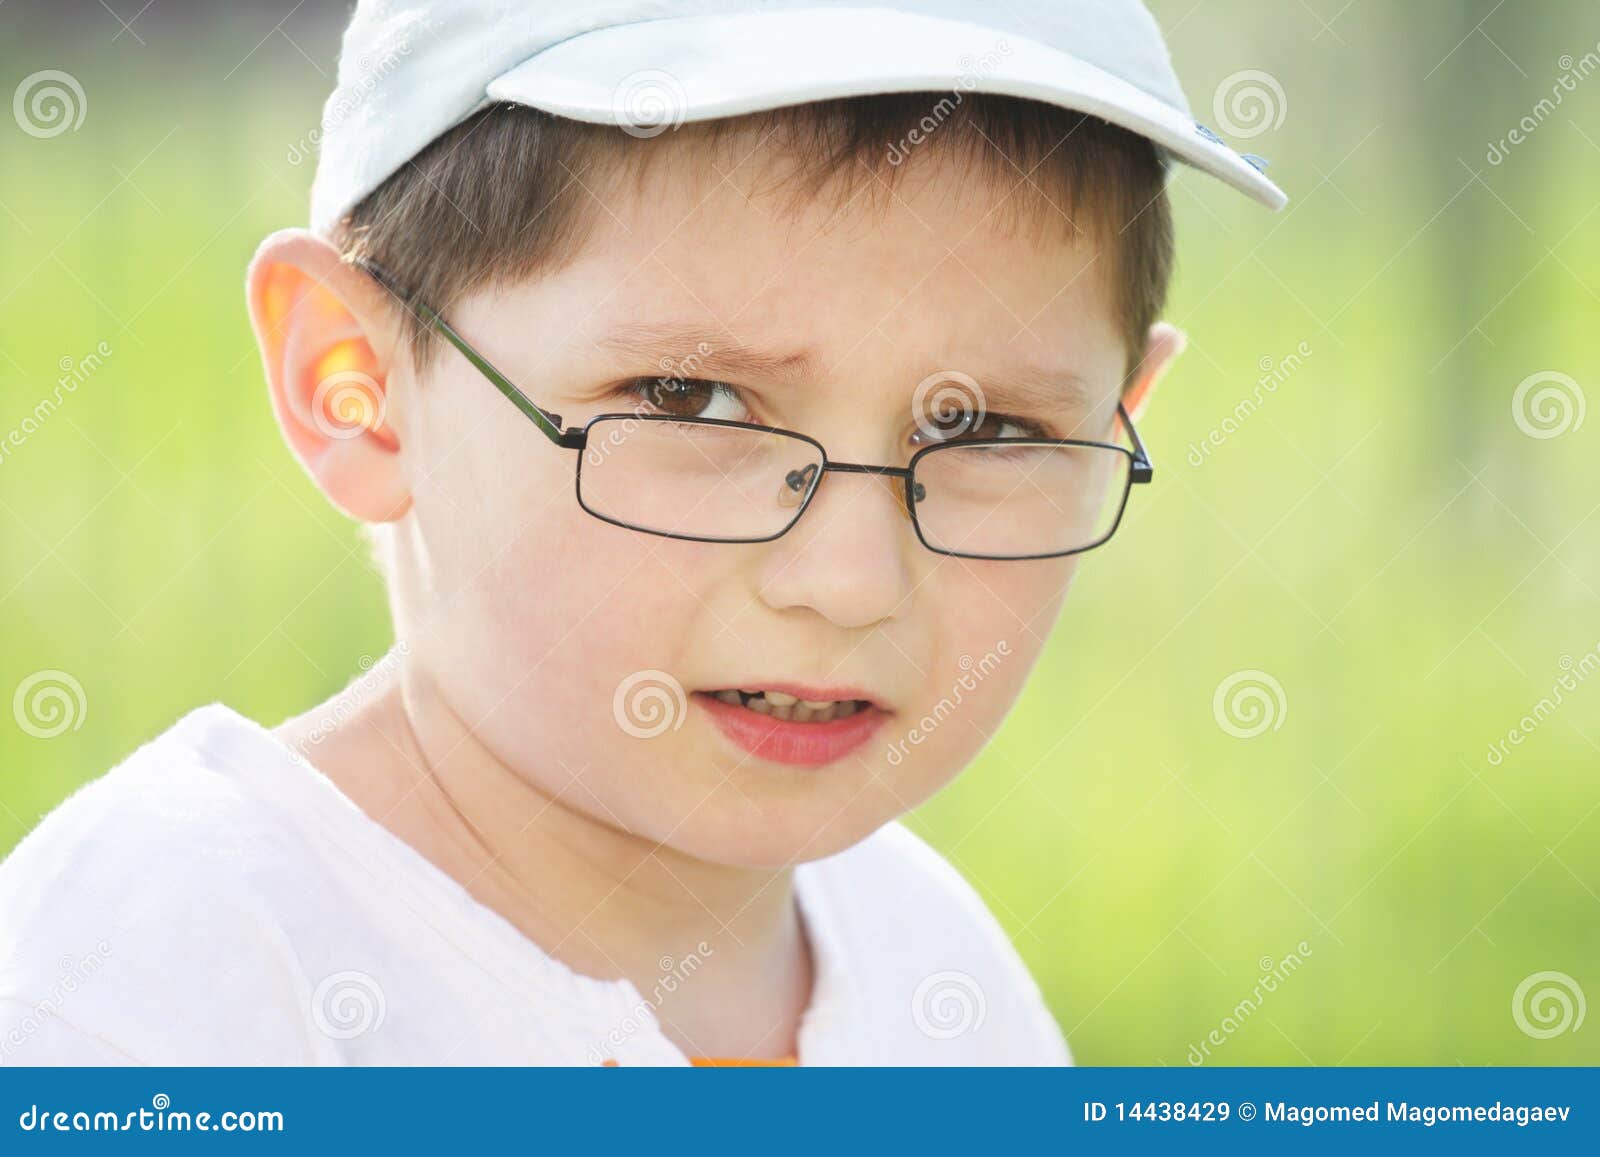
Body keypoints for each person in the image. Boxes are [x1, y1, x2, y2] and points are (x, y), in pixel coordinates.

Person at [0, 0, 1283, 1065]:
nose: (849, 580)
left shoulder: (938, 982)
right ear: (361, 387)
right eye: (690, 400)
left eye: (990, 432)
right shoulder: (152, 980)